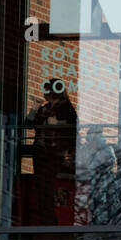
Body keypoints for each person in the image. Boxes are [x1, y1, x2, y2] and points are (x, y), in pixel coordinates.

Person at [26, 81, 78, 224]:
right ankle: (44, 219)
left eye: (47, 90)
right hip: (40, 152)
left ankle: (50, 221)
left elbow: (74, 128)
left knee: (47, 186)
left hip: (55, 153)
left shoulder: (66, 108)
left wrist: (58, 124)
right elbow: (27, 124)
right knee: (40, 187)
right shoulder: (44, 108)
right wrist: (34, 108)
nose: (45, 93)